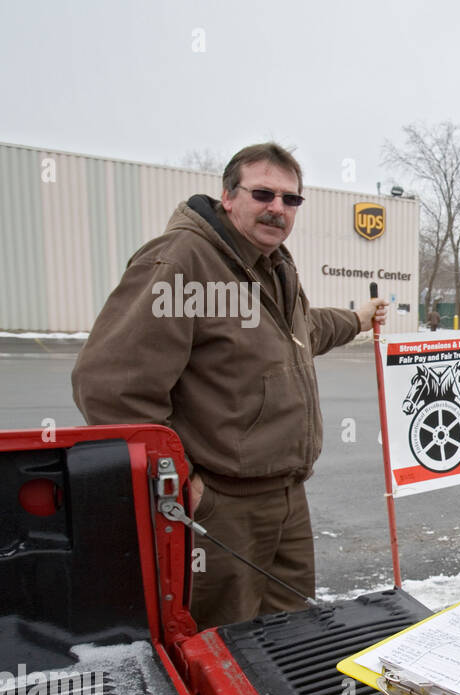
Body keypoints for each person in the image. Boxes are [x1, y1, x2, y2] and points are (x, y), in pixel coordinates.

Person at [72, 142, 386, 630]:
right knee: (220, 643)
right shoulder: (183, 262)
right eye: (263, 193)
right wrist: (180, 482)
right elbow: (110, 386)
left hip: (286, 499)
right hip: (219, 507)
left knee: (290, 636)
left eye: (290, 199)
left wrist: (357, 319)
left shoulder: (272, 265)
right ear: (228, 196)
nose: (277, 208)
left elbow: (303, 329)